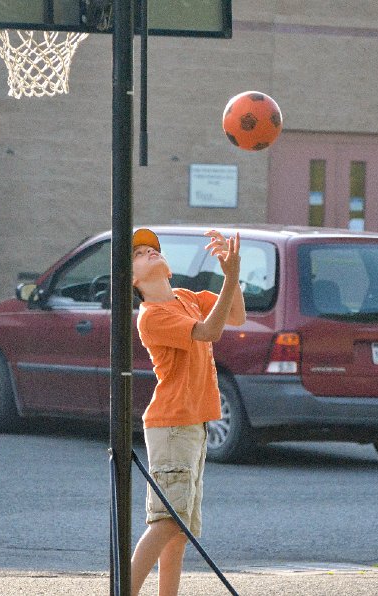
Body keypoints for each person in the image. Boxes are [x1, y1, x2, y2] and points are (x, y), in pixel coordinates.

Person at [129, 227, 246, 596]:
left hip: (193, 424)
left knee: (178, 532)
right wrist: (228, 277)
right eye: (140, 253)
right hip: (171, 425)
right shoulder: (151, 315)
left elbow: (236, 316)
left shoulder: (186, 297)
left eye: (153, 249)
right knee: (167, 521)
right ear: (132, 279)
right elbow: (210, 331)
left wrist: (233, 275)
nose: (150, 253)